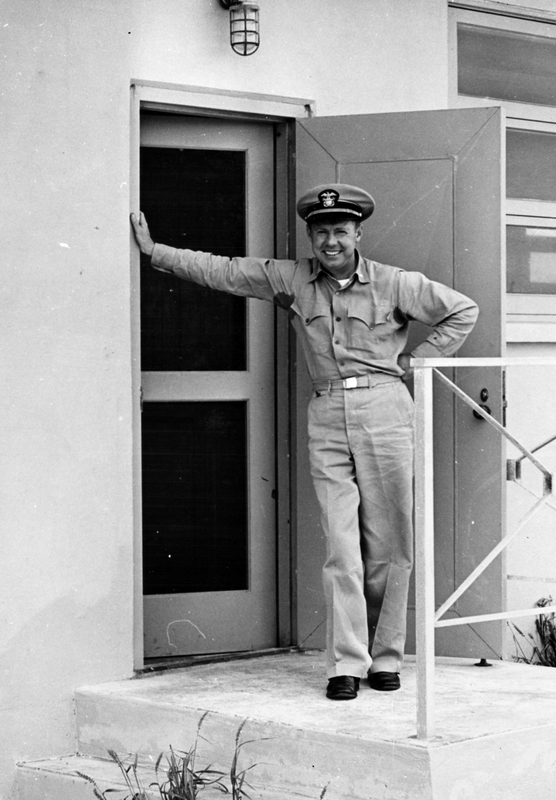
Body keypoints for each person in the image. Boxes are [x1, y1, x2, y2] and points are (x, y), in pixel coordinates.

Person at [130, 183, 478, 701]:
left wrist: (416, 361)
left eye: (340, 231)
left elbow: (462, 310)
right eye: (321, 233)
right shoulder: (292, 278)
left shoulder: (395, 283)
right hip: (327, 411)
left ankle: (386, 657)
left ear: (358, 233)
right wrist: (156, 252)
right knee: (341, 545)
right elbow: (226, 271)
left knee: (389, 544)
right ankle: (347, 663)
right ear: (311, 237)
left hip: (385, 411)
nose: (330, 242)